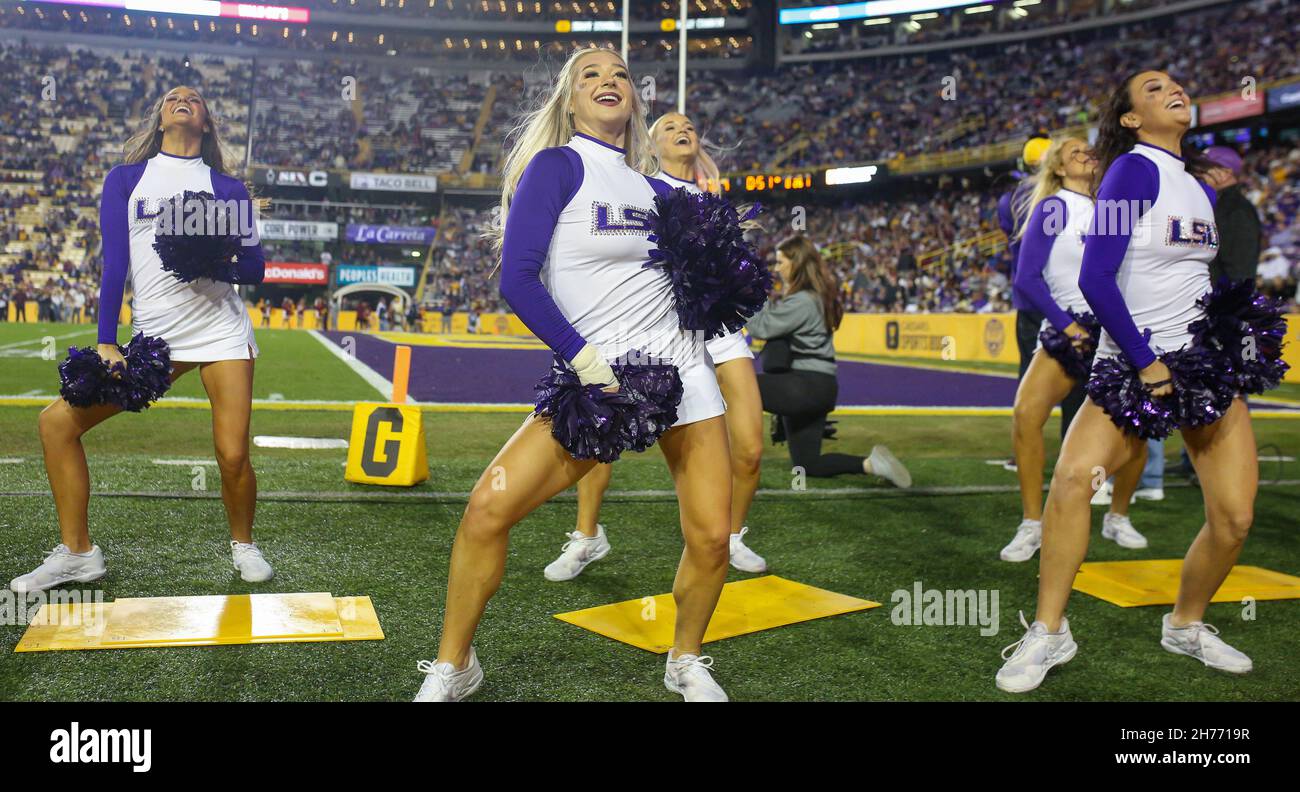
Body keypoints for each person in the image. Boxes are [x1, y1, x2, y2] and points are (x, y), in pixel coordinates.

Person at [414, 47, 735, 702]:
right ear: (569, 100)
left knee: (710, 534)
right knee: (486, 510)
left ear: (636, 100)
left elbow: (701, 285)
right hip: (596, 379)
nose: (609, 81)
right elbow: (517, 280)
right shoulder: (555, 168)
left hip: (683, 374)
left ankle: (686, 658)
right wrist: (586, 362)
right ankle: (454, 666)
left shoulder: (660, 190)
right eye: (591, 75)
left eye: (619, 74)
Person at [997, 70, 1258, 693]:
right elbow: (1095, 275)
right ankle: (1049, 633)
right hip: (1133, 362)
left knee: (1234, 518)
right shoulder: (1131, 171)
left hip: (1201, 363)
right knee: (1070, 481)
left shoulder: (1198, 186)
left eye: (1176, 83)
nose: (1174, 89)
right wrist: (1145, 359)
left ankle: (1186, 624)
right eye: (1152, 88)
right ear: (1132, 119)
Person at [9, 85, 274, 594]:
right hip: (155, 337)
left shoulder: (229, 189)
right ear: (159, 118)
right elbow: (116, 265)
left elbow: (255, 267)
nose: (182, 99)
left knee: (233, 453)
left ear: (207, 123)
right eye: (173, 96)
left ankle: (244, 544)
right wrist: (107, 340)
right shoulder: (126, 180)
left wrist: (213, 259)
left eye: (194, 99)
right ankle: (78, 553)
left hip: (220, 329)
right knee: (56, 426)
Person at [544, 109, 768, 583]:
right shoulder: (645, 189)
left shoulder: (714, 197)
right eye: (668, 126)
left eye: (687, 125)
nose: (681, 130)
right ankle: (587, 535)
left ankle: (728, 537)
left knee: (748, 447)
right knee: (603, 432)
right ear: (651, 145)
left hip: (719, 329)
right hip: (663, 329)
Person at [1001, 137, 1148, 562]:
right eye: (1074, 152)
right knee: (1027, 412)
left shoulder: (1116, 207)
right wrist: (1067, 326)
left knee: (1138, 433)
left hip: (1117, 328)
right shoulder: (1054, 207)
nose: (1087, 154)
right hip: (1069, 326)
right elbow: (1026, 279)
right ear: (1059, 168)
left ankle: (1117, 515)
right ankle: (1032, 524)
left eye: (1091, 150)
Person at [747, 235, 912, 486]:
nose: (777, 268)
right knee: (808, 464)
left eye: (781, 262)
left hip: (804, 386)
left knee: (737, 387)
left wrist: (746, 293)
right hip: (819, 387)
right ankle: (871, 464)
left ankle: (730, 459)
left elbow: (761, 327)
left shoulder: (803, 300)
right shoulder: (813, 297)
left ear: (797, 263)